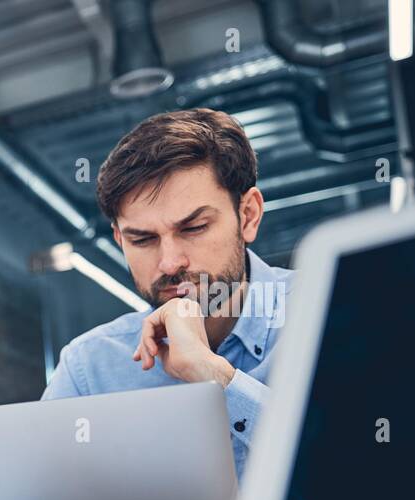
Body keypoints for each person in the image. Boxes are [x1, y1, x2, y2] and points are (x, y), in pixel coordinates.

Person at [43, 108, 293, 480]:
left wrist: (217, 379)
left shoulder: (331, 309)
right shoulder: (90, 370)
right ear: (120, 240)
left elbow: (375, 468)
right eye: (142, 239)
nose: (170, 263)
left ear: (249, 215)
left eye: (193, 227)